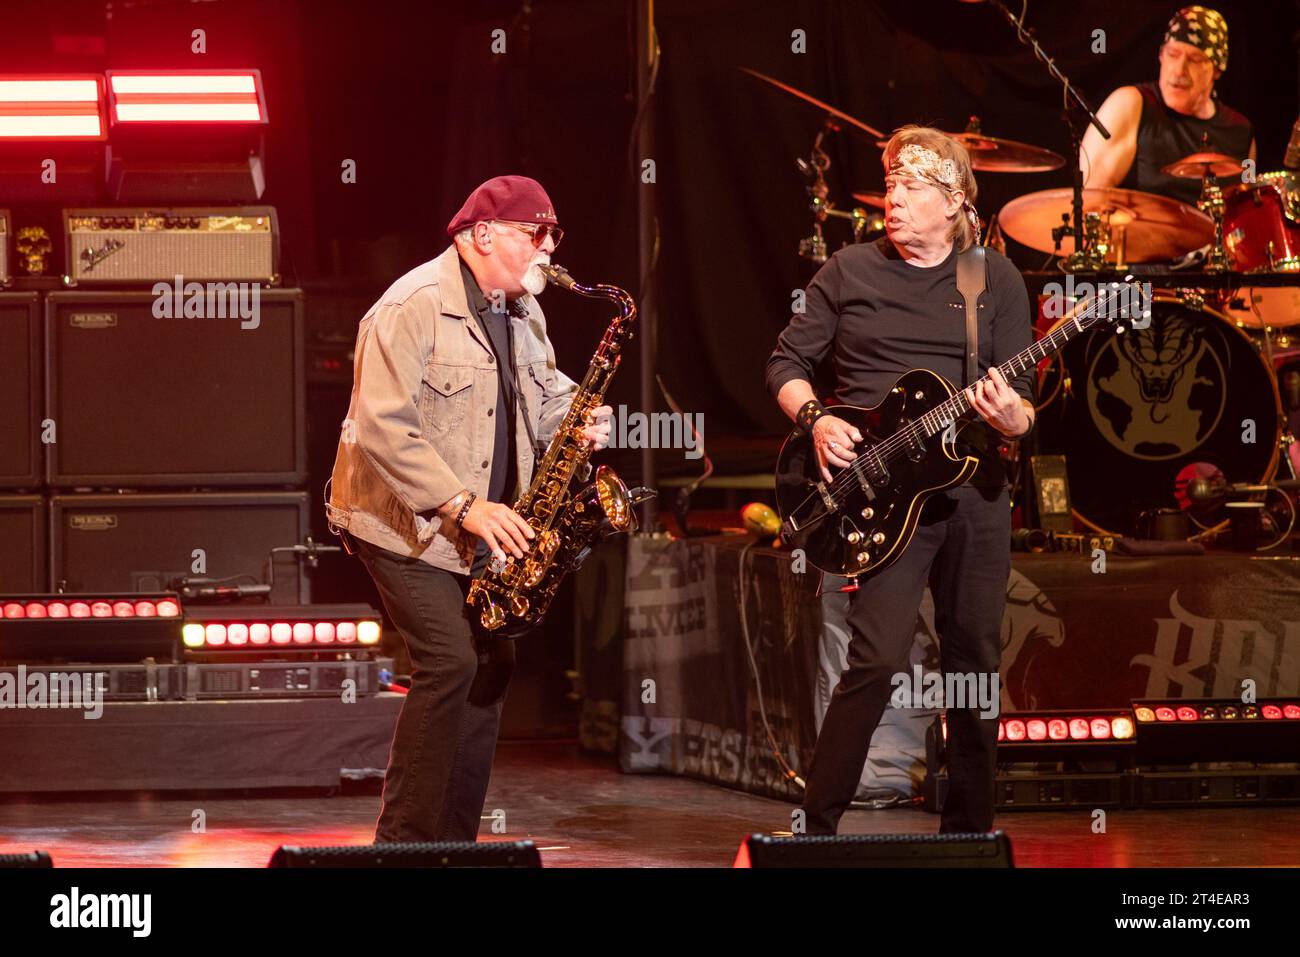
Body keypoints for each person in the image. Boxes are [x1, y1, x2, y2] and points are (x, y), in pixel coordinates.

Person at [765, 126, 1036, 834]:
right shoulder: (848, 271)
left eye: (912, 187)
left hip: (971, 494)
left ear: (953, 201)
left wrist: (1013, 416)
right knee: (876, 657)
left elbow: (1025, 404)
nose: (894, 198)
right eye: (890, 185)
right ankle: (816, 826)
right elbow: (785, 365)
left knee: (974, 657)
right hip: (879, 492)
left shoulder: (992, 278)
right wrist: (818, 420)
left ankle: (971, 831)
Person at [326, 175, 611, 842]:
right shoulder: (411, 305)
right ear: (480, 235)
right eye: (532, 233)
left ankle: (454, 846)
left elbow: (545, 393)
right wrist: (462, 504)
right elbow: (382, 427)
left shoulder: (522, 309)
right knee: (452, 659)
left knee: (493, 661)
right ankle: (401, 848)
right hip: (400, 521)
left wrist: (578, 419)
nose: (547, 247)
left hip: (479, 525)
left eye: (553, 234)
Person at [1082, 5, 1255, 206]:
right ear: (1161, 56)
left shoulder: (1241, 131)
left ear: (1217, 69)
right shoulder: (1130, 104)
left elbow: (1247, 212)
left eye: (1194, 59)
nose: (1179, 70)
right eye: (1173, 55)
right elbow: (1090, 199)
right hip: (1138, 234)